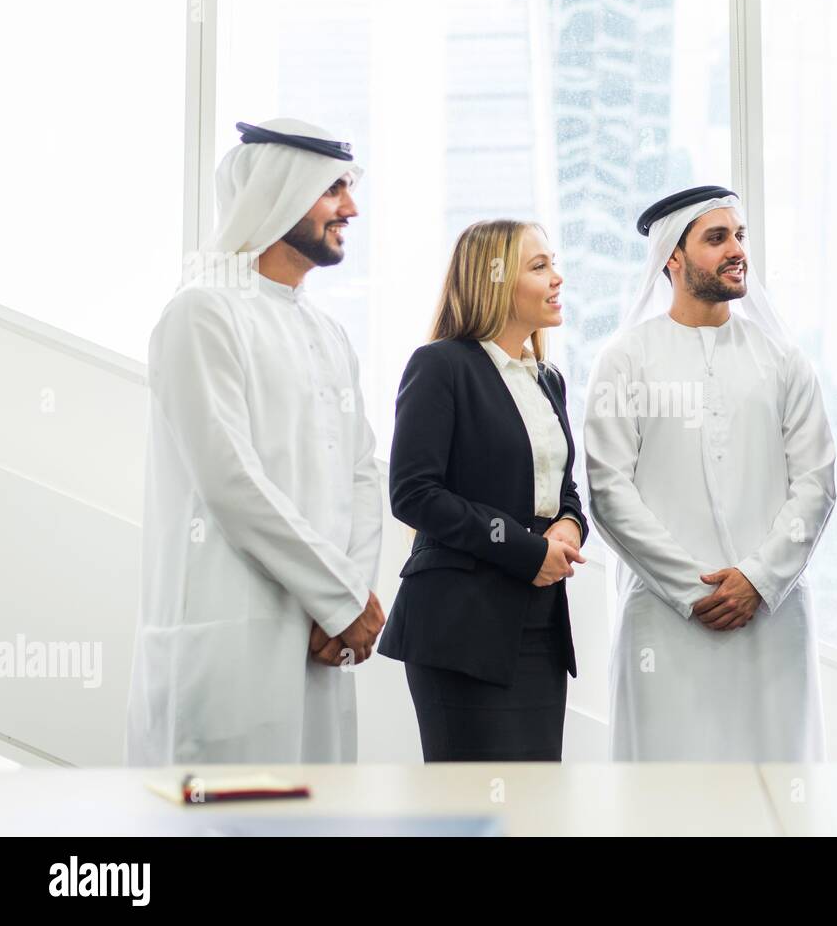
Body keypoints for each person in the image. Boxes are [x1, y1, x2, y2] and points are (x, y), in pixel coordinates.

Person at [126, 119, 386, 766]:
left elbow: (360, 473)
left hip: (321, 640)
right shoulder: (202, 313)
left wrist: (350, 596)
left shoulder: (329, 333)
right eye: (333, 190)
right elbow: (229, 479)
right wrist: (340, 598)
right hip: (231, 643)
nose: (350, 208)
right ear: (278, 190)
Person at [585, 185, 836, 762]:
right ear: (673, 256)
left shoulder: (783, 359)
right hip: (663, 619)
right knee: (669, 797)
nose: (737, 250)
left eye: (740, 236)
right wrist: (690, 589)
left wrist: (757, 580)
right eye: (717, 237)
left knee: (776, 792)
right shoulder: (625, 358)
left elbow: (817, 484)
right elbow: (608, 492)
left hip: (773, 613)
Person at [377, 220, 588, 762]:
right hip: (461, 628)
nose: (557, 277)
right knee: (473, 812)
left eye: (553, 262)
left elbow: (561, 488)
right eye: (539, 267)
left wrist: (568, 523)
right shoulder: (441, 365)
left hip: (540, 624)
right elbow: (414, 493)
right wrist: (526, 551)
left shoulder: (548, 379)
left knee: (535, 808)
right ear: (493, 281)